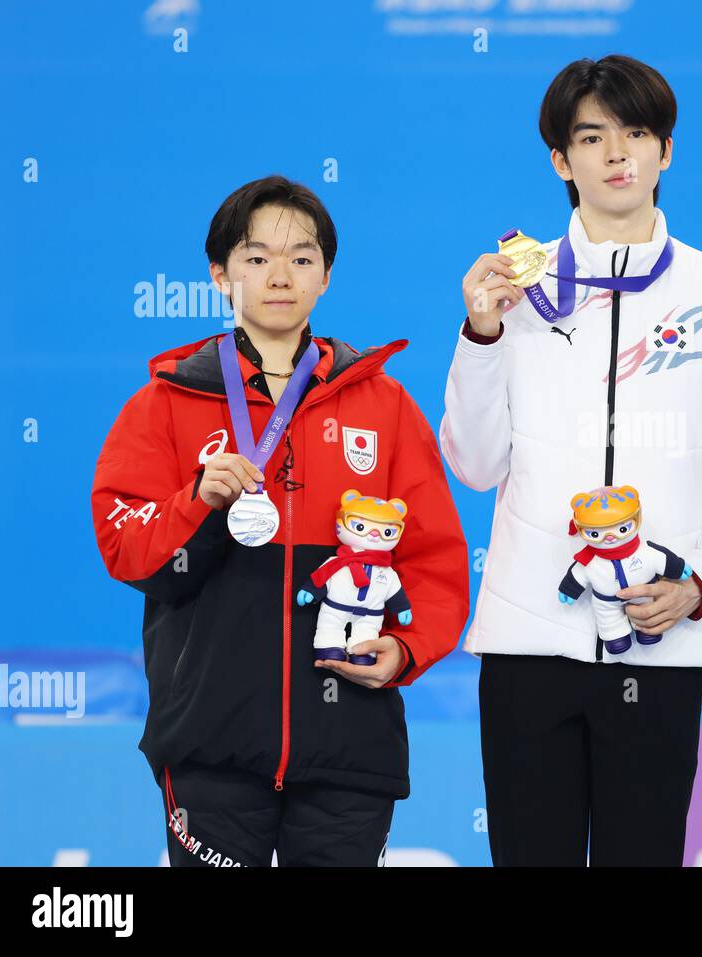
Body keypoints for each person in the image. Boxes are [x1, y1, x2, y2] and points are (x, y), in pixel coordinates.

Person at [440, 54, 702, 866]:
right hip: (529, 641)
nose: (617, 153)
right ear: (561, 161)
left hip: (660, 637)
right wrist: (483, 336)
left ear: (666, 151)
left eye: (636, 132)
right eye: (592, 136)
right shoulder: (514, 292)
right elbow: (474, 462)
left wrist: (697, 583)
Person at [91, 175, 470, 867]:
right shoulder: (164, 404)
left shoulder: (381, 405)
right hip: (211, 738)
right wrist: (195, 501)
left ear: (325, 276)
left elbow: (435, 557)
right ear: (219, 274)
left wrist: (407, 649)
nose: (279, 275)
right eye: (256, 257)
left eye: (301, 257)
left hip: (349, 740)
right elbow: (128, 551)